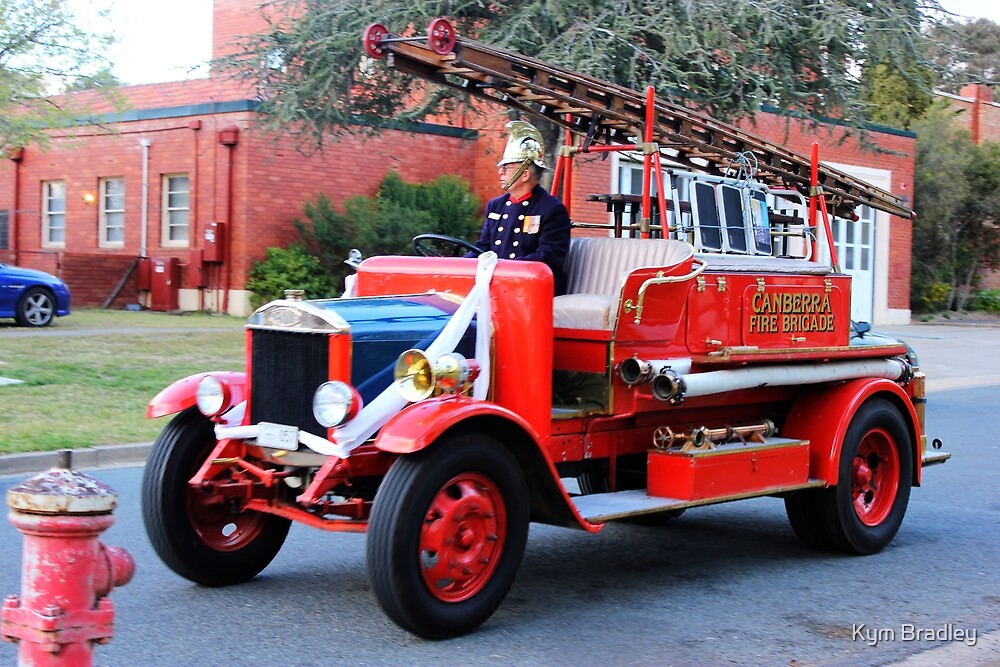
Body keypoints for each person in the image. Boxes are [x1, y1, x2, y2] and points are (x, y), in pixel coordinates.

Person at [467, 120, 572, 296]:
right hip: (497, 284)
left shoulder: (552, 209)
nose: (500, 172)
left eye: (507, 167)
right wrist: (456, 265)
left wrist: (502, 269)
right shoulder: (496, 206)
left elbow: (547, 259)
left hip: (531, 289)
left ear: (524, 174)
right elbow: (482, 248)